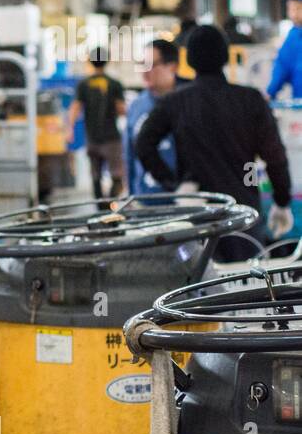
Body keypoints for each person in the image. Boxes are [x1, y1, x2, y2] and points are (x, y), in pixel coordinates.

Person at [136, 25, 293, 263]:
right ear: (224, 56)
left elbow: (143, 144)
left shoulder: (175, 102)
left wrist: (176, 186)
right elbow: (275, 157)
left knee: (201, 288)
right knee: (246, 287)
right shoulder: (250, 99)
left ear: (189, 59)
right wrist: (282, 202)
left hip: (197, 213)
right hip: (243, 215)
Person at [124, 39, 184, 195]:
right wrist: (131, 195)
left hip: (186, 201)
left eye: (150, 65)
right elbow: (129, 154)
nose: (144, 71)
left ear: (173, 67)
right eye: (141, 64)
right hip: (146, 202)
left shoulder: (190, 103)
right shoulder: (137, 105)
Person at [65, 55, 126, 199]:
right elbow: (121, 109)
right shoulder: (114, 83)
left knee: (95, 174)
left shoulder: (84, 84)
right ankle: (111, 205)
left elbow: (75, 108)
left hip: (92, 137)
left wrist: (70, 129)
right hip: (112, 137)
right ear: (107, 61)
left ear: (90, 61)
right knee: (116, 174)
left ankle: (99, 207)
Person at [265, 0, 302, 100]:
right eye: (290, 9)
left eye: (298, 9)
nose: (293, 14)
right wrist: (270, 92)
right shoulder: (294, 36)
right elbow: (282, 67)